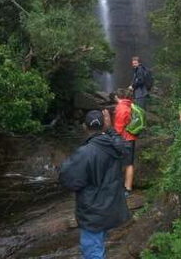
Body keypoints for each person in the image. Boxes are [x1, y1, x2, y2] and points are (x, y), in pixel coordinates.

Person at [59, 109, 131, 259]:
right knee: (97, 247)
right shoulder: (117, 147)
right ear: (104, 126)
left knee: (93, 252)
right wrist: (110, 128)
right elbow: (123, 146)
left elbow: (67, 180)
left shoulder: (85, 152)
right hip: (111, 208)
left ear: (84, 127)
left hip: (93, 213)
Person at [113, 88, 137, 195]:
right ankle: (128, 187)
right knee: (129, 163)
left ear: (117, 97)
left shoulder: (121, 107)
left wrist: (112, 136)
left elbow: (119, 127)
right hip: (131, 137)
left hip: (124, 138)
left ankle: (123, 188)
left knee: (117, 162)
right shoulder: (130, 105)